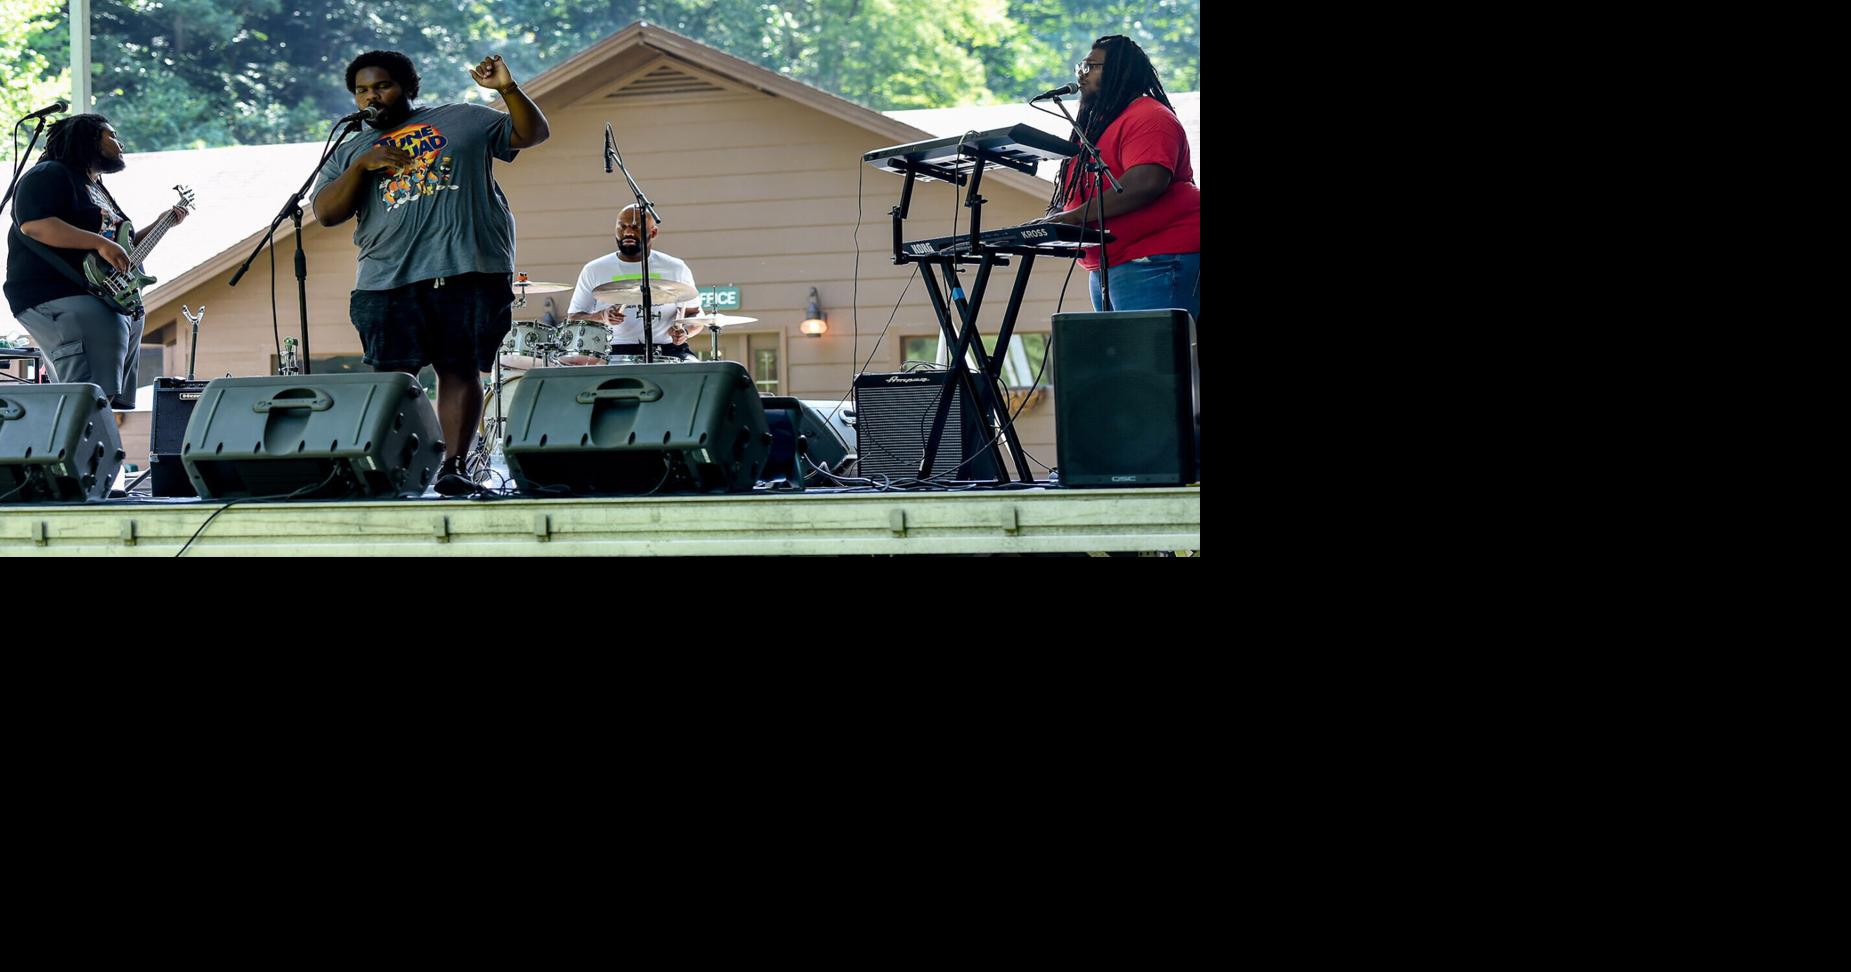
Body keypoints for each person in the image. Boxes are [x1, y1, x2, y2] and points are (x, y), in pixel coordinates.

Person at [312, 49, 550, 493]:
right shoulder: (350, 150)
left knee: (459, 369)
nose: (371, 97)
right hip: (387, 277)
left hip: (468, 268)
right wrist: (363, 166)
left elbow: (532, 132)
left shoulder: (462, 120)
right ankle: (389, 470)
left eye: (382, 86)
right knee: (390, 379)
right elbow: (326, 212)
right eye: (361, 90)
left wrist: (507, 89)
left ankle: (453, 468)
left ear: (407, 87)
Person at [5, 113, 189, 408]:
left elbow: (121, 251)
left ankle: (97, 455)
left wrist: (161, 224)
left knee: (102, 402)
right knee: (85, 400)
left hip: (108, 301)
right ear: (89, 139)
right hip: (62, 294)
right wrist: (98, 241)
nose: (121, 144)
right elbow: (35, 224)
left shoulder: (95, 187)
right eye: (112, 136)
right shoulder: (49, 174)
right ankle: (72, 455)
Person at [1035, 35, 1199, 321]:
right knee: (1127, 362)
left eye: (1091, 67)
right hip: (1112, 262)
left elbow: (1146, 181)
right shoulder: (1099, 124)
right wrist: (1056, 215)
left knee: (1153, 362)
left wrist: (1075, 217)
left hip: (1156, 257)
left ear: (1120, 72)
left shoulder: (1148, 115)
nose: (1081, 76)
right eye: (1080, 68)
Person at [565, 204, 704, 361]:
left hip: (668, 349)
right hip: (613, 351)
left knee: (699, 374)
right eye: (622, 227)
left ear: (653, 232)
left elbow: (696, 314)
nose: (628, 232)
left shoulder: (675, 268)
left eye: (636, 227)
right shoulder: (594, 269)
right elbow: (574, 318)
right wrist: (602, 316)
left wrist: (685, 331)